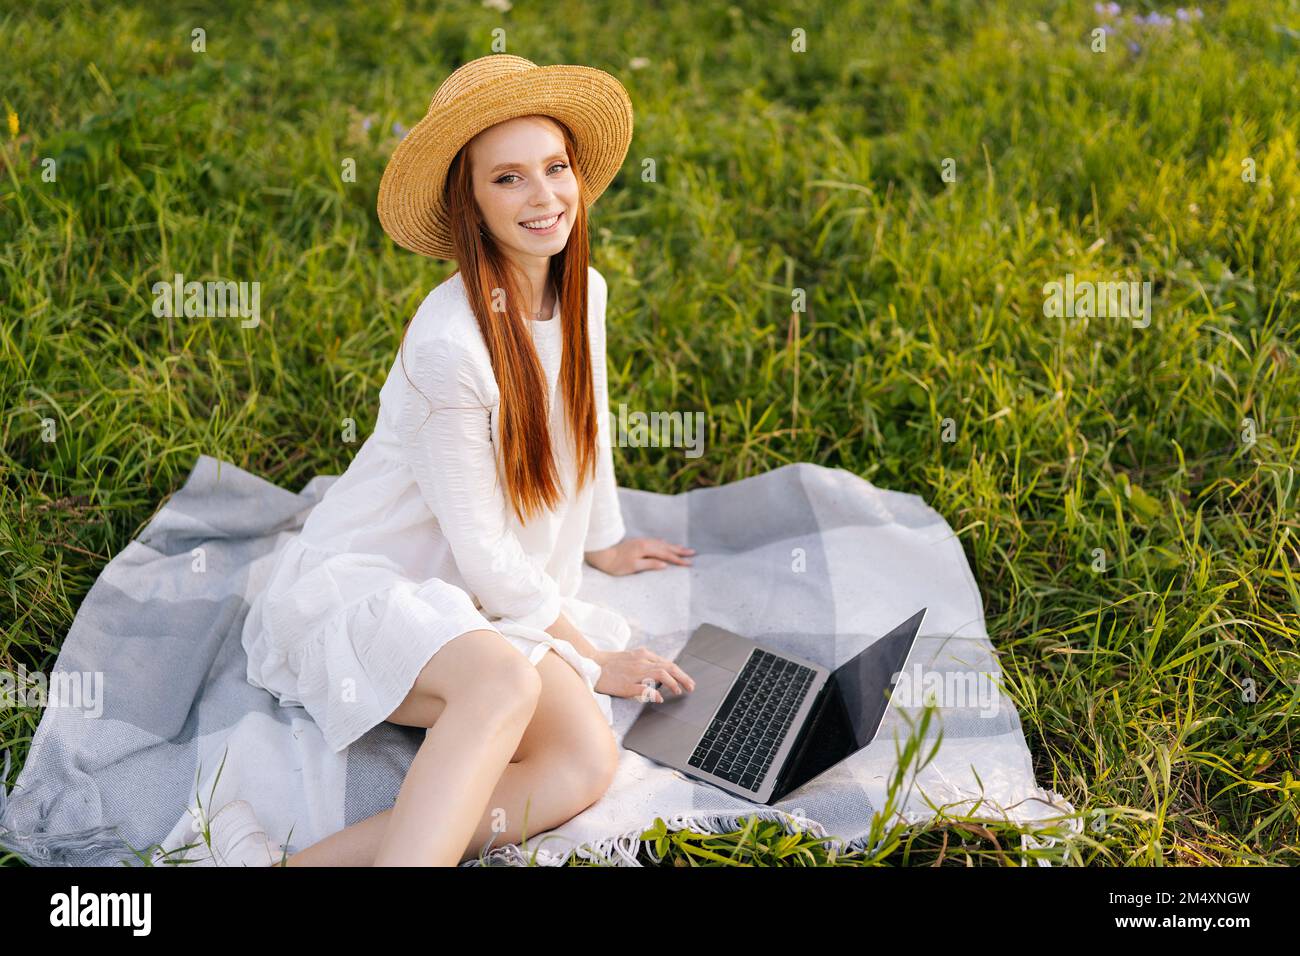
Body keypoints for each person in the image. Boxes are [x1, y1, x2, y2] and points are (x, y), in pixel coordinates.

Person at [211, 55, 697, 868]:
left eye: (555, 168)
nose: (544, 198)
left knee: (584, 763)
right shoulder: (449, 345)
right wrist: (590, 655)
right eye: (508, 179)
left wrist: (604, 541)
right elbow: (484, 553)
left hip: (476, 600)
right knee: (504, 686)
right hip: (378, 582)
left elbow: (588, 420)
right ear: (469, 201)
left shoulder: (586, 293)